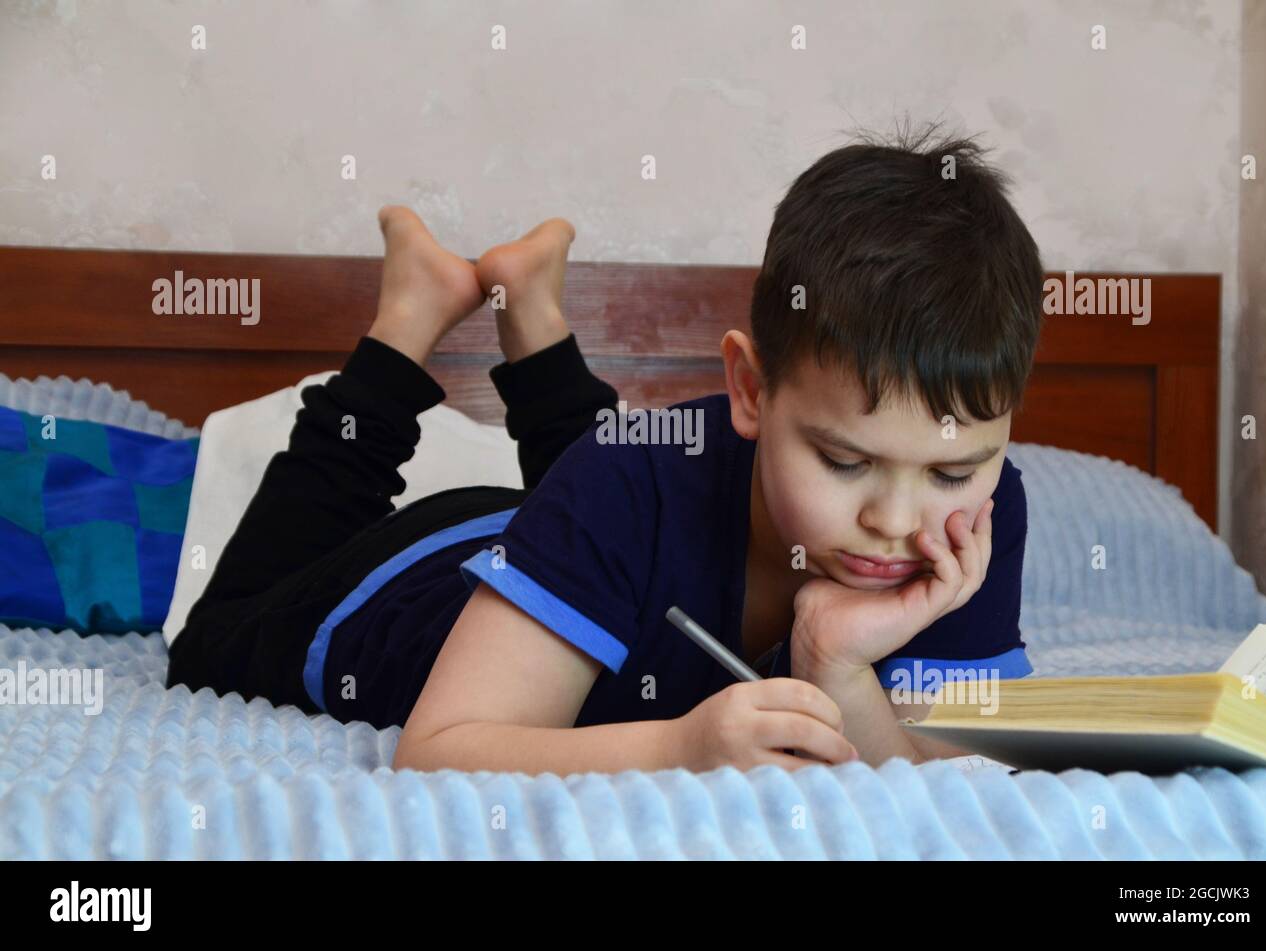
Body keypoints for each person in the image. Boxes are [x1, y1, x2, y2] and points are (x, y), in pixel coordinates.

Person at [166, 125, 1042, 775]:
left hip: (570, 531)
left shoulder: (971, 525)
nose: (894, 521)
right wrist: (682, 744)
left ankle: (534, 313)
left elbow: (933, 782)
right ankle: (408, 319)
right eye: (844, 462)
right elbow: (436, 752)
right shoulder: (625, 481)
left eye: (953, 469)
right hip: (416, 582)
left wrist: (840, 668)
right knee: (209, 643)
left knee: (618, 493)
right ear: (750, 390)